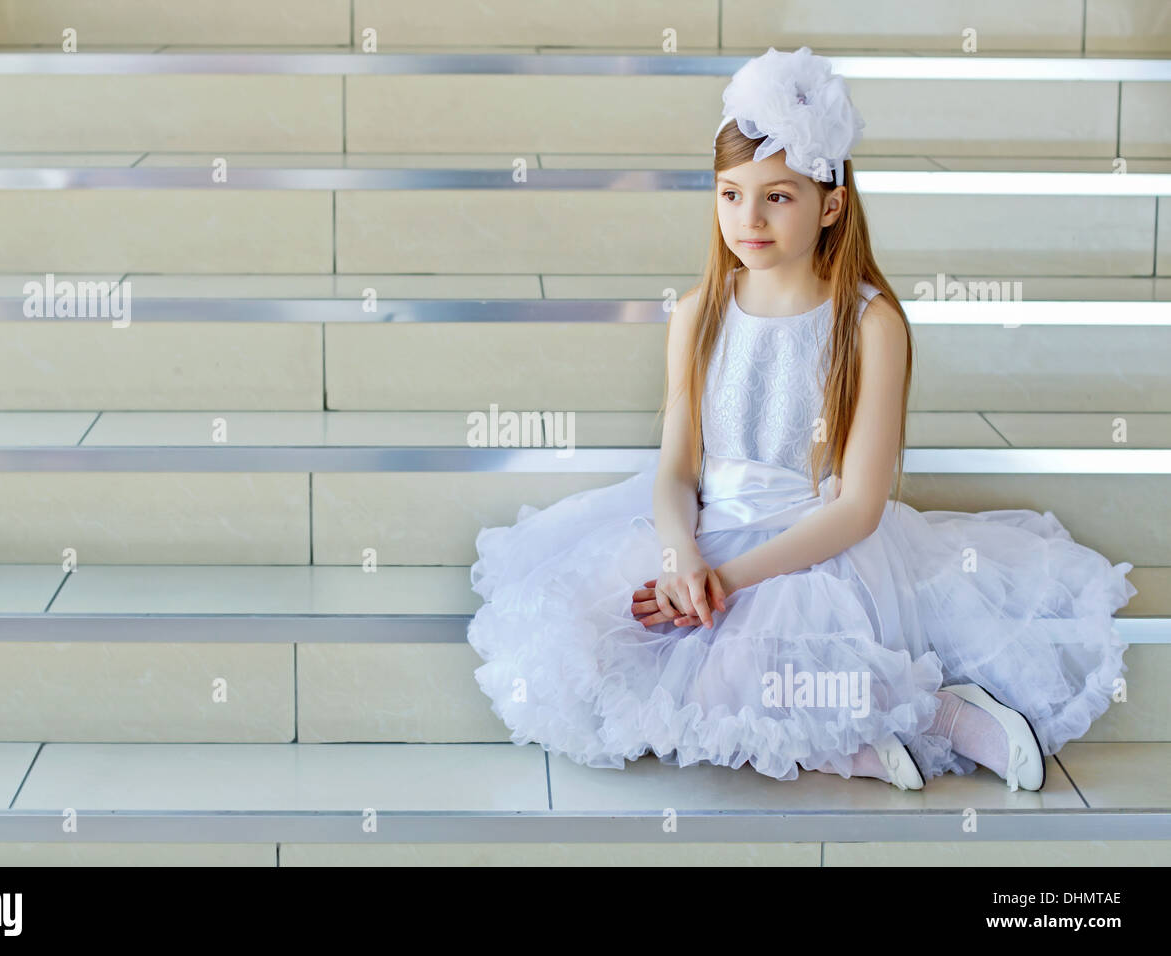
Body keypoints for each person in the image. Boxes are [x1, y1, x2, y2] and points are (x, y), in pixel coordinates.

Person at [465, 47, 1136, 791]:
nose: (746, 219)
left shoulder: (869, 325)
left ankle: (938, 713)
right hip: (711, 530)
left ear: (831, 204)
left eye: (777, 197)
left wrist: (729, 580)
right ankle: (852, 739)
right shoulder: (696, 315)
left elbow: (858, 507)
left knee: (761, 654)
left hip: (816, 544)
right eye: (729, 195)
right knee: (600, 644)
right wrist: (683, 560)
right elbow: (677, 471)